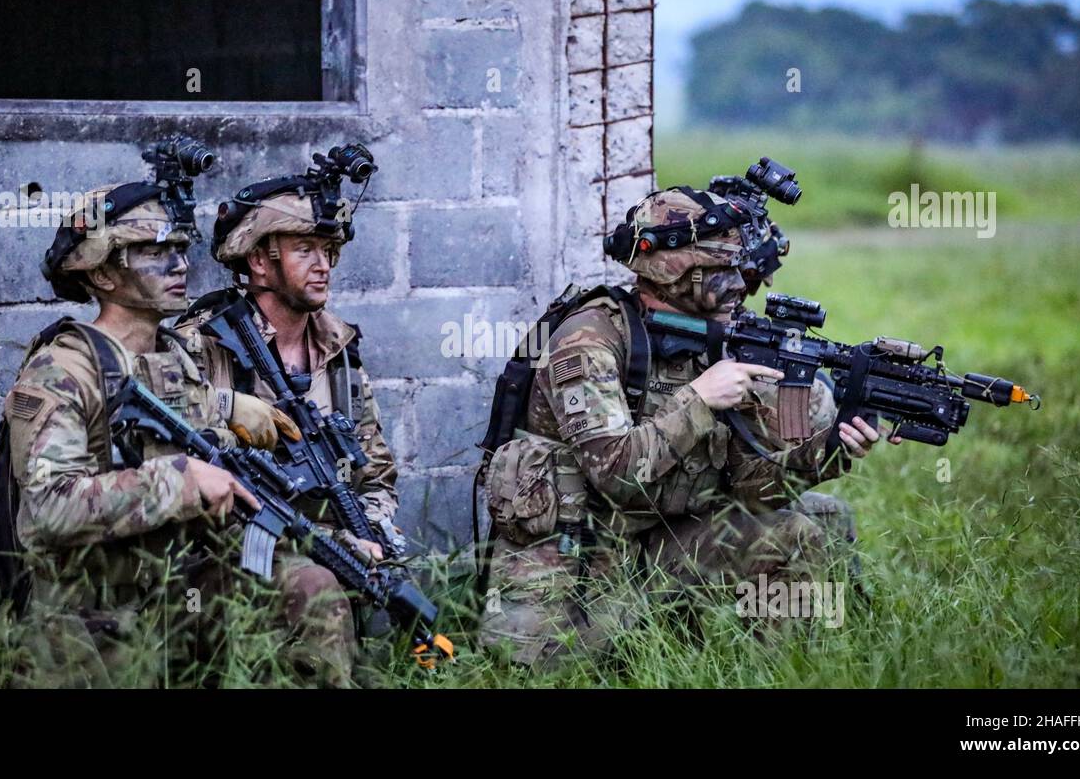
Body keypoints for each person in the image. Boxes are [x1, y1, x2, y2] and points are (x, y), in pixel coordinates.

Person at [478, 187, 894, 666]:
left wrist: (827, 451)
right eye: (724, 270)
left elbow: (748, 488)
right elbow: (615, 471)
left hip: (659, 547)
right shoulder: (590, 338)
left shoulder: (719, 339)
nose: (742, 283)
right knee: (561, 672)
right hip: (581, 565)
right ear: (675, 269)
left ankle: (774, 674)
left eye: (743, 268)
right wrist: (701, 398)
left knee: (807, 526)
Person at [4, 176, 291, 688]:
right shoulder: (62, 370)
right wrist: (179, 480)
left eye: (181, 250)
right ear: (104, 274)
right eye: (157, 252)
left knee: (307, 589)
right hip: (91, 624)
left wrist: (226, 410)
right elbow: (49, 508)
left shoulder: (172, 357)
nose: (181, 266)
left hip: (175, 598)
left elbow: (197, 434)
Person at [174, 161, 404, 684]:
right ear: (258, 260)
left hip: (323, 546)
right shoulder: (204, 345)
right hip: (216, 555)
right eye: (305, 250)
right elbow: (171, 456)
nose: (323, 265)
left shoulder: (340, 350)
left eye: (329, 252)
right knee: (316, 588)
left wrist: (371, 529)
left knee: (385, 597)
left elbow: (376, 471)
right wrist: (323, 539)